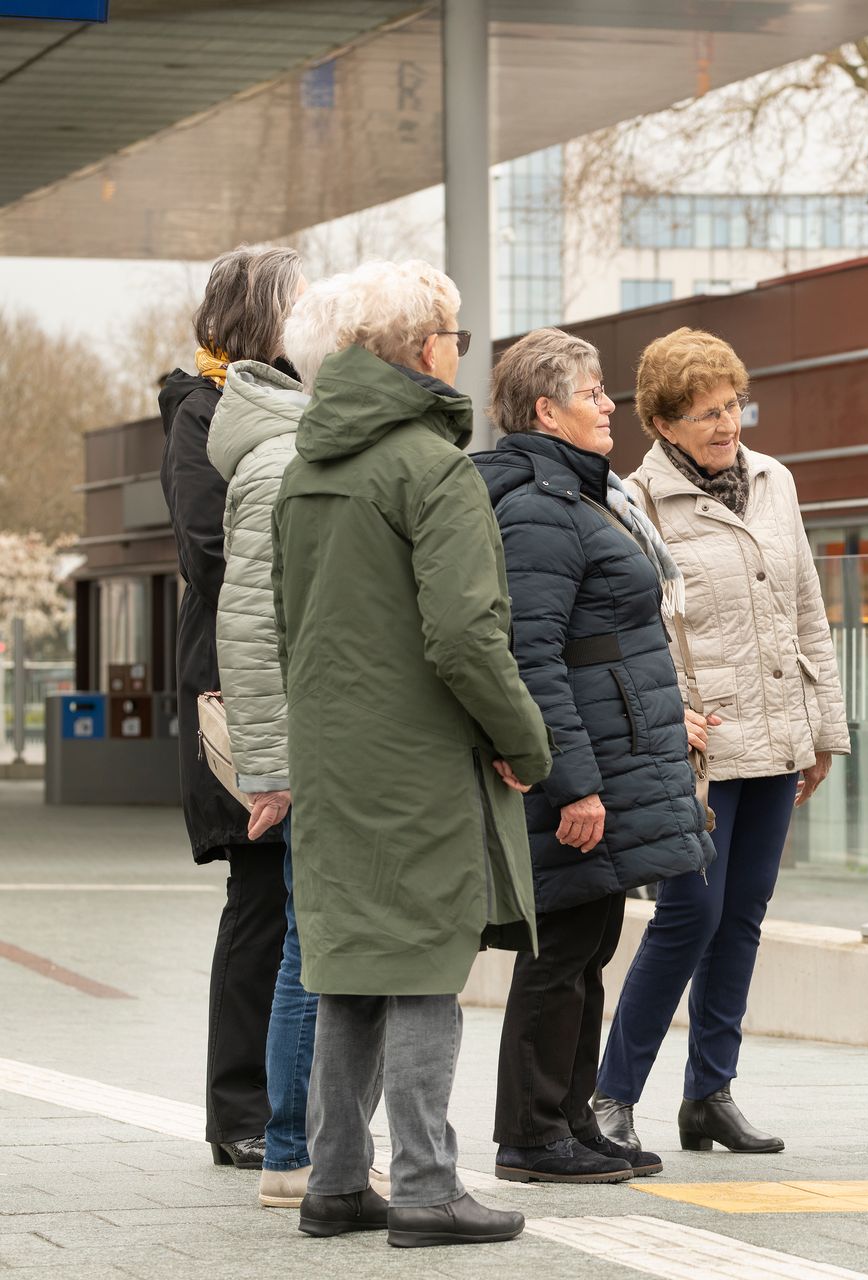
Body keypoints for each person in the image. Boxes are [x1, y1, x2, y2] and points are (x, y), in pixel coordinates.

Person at [273, 260, 551, 1247]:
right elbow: (465, 635)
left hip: (336, 756)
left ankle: (337, 1180)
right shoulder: (431, 469)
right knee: (428, 967)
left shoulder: (306, 467)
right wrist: (524, 738)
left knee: (351, 968)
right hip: (421, 758)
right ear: (417, 349)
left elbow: (288, 623)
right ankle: (430, 1185)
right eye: (456, 336)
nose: (460, 353)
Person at [591, 326, 849, 1158]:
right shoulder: (634, 501)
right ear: (664, 423)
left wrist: (825, 729)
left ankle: (710, 1094)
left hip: (778, 737)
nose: (724, 424)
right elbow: (640, 631)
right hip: (698, 746)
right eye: (704, 413)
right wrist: (669, 720)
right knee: (688, 913)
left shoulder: (776, 482)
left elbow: (808, 606)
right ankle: (612, 1094)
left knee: (742, 917)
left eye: (731, 405)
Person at [474, 327, 715, 1184]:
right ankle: (532, 1136)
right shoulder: (539, 505)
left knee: (588, 945)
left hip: (617, 754)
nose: (608, 405)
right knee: (562, 952)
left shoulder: (582, 495)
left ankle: (571, 1122)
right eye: (592, 392)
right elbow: (532, 656)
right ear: (546, 409)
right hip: (578, 771)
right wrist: (572, 783)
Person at [207, 274, 390, 1209]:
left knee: (311, 949)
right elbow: (251, 626)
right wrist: (274, 765)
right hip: (317, 748)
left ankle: (307, 1148)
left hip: (329, 739)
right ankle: (295, 1149)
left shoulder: (297, 450)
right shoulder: (284, 462)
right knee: (312, 955)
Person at [158, 243, 305, 1170]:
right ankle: (239, 1109)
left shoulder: (301, 406)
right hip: (238, 679)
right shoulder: (200, 415)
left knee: (293, 902)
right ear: (263, 315)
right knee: (259, 893)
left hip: (295, 675)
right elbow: (215, 553)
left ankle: (289, 1102)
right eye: (301, 300)